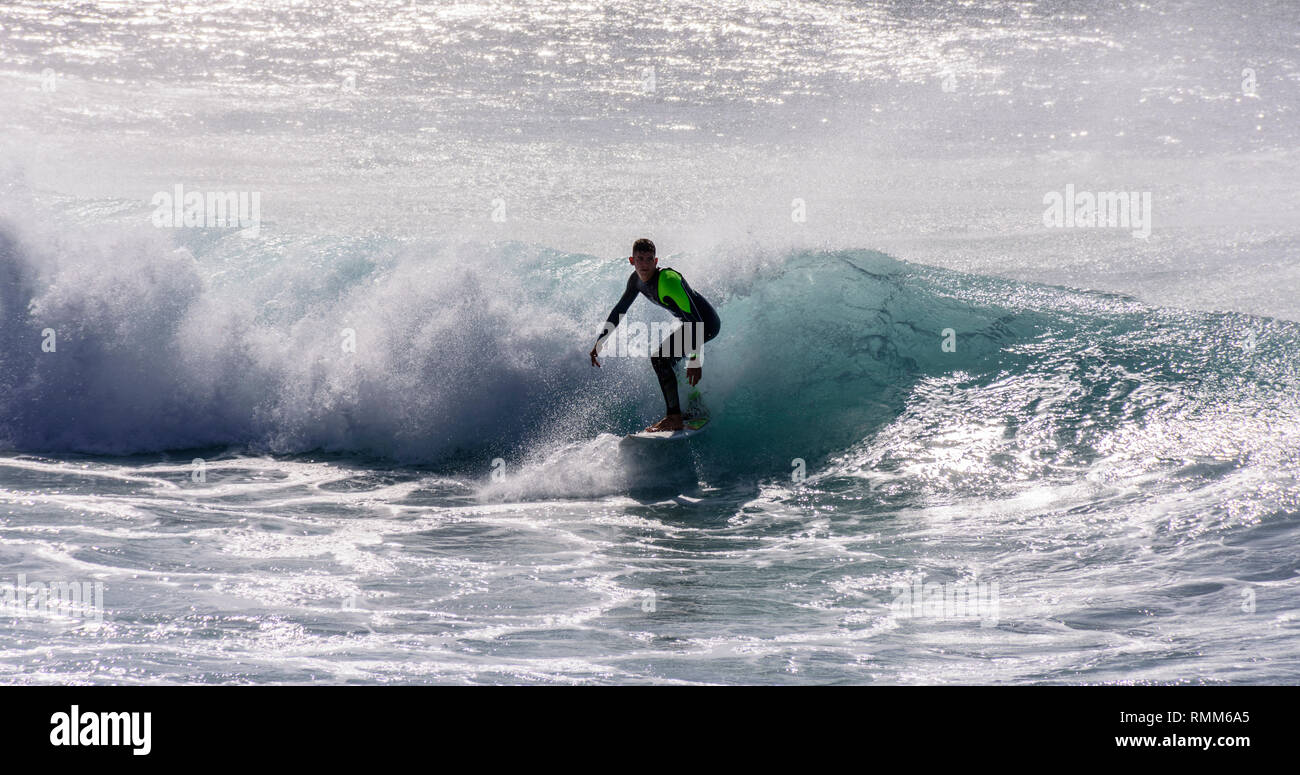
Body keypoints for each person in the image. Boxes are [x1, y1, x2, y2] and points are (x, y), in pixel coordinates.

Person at [589, 238, 721, 432]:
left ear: (656, 261)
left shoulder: (668, 281)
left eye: (649, 259)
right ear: (631, 261)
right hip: (691, 324)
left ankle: (674, 417)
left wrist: (695, 360)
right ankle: (695, 404)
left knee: (660, 359)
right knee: (667, 360)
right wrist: (600, 342)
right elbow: (620, 309)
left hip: (704, 324)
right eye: (640, 259)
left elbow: (696, 322)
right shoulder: (636, 281)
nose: (644, 264)